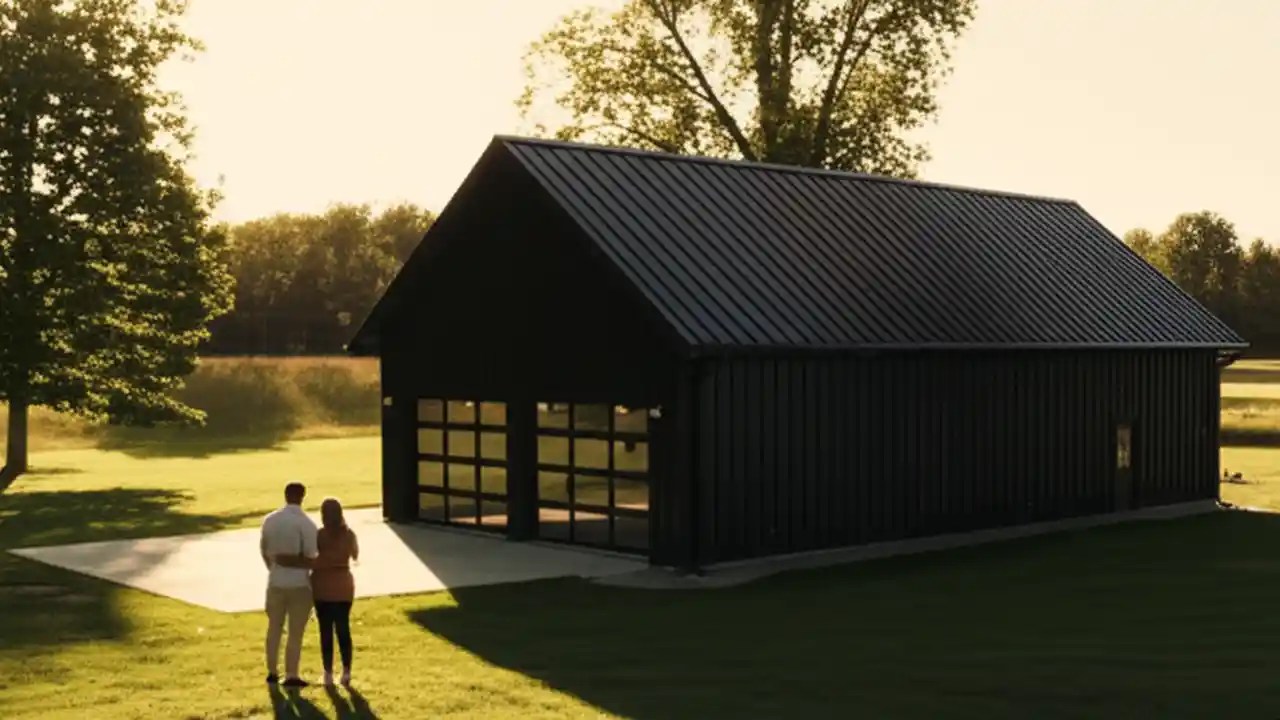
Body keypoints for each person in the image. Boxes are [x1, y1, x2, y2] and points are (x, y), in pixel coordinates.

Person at [275, 496, 360, 686]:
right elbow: (355, 554)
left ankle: (328, 672)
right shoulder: (349, 534)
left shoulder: (319, 535)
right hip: (344, 584)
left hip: (322, 585)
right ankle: (346, 671)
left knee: (325, 629)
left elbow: (309, 557)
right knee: (343, 627)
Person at [259, 481, 319, 688]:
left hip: (275, 582)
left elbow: (264, 549)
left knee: (274, 627)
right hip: (299, 583)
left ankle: (272, 671)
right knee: (295, 631)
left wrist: (274, 567)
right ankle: (291, 673)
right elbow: (311, 556)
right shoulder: (306, 524)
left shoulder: (270, 520)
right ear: (302, 496)